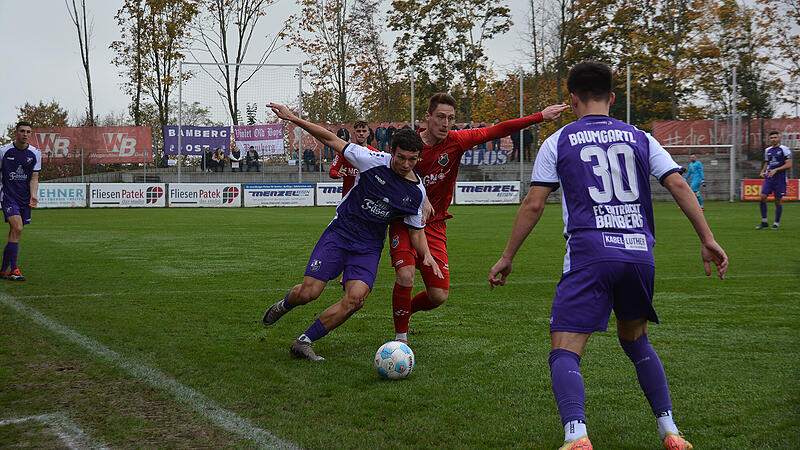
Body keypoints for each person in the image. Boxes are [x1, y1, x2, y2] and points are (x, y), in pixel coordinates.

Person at [487, 61, 728, 450]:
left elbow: (534, 203)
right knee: (636, 341)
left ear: (572, 99)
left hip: (590, 253)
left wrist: (507, 256)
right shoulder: (641, 137)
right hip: (638, 254)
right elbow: (680, 185)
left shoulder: (558, 141)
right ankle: (670, 430)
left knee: (564, 349)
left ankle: (576, 435)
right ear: (612, 97)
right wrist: (708, 238)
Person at [261, 102, 442, 361]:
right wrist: (293, 118)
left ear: (418, 158)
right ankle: (285, 304)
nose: (405, 164)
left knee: (356, 299)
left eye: (412, 159)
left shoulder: (416, 192)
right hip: (341, 233)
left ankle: (304, 342)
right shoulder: (370, 160)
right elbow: (329, 138)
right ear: (391, 152)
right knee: (309, 292)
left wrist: (426, 255)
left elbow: (415, 231)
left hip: (368, 246)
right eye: (401, 157)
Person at [389, 93, 569, 344]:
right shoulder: (409, 147)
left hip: (435, 224)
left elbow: (498, 130)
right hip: (404, 220)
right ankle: (400, 340)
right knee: (406, 275)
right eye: (440, 117)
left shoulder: (457, 141)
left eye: (451, 118)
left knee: (439, 295)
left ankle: (404, 311)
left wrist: (540, 116)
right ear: (427, 117)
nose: (445, 123)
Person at [0, 121, 41, 281]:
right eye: (22, 131)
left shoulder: (35, 153)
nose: (25, 134)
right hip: (8, 196)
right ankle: (14, 270)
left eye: (28, 132)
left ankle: (3, 270)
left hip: (24, 199)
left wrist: (33, 194)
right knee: (18, 228)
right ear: (15, 132)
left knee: (14, 232)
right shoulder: (4, 151)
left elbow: (34, 177)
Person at [329, 120, 381, 197]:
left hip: (367, 199)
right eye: (358, 131)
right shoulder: (345, 150)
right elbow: (332, 171)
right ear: (354, 133)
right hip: (349, 199)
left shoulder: (375, 153)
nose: (361, 133)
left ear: (368, 133)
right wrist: (338, 174)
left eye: (364, 131)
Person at [756, 130, 792, 230]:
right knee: (762, 197)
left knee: (778, 201)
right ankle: (764, 221)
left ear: (779, 138)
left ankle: (776, 223)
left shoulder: (784, 149)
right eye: (771, 138)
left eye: (775, 137)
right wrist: (763, 171)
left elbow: (789, 164)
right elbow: (767, 162)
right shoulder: (767, 150)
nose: (773, 139)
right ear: (769, 139)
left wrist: (776, 170)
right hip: (769, 178)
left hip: (780, 178)